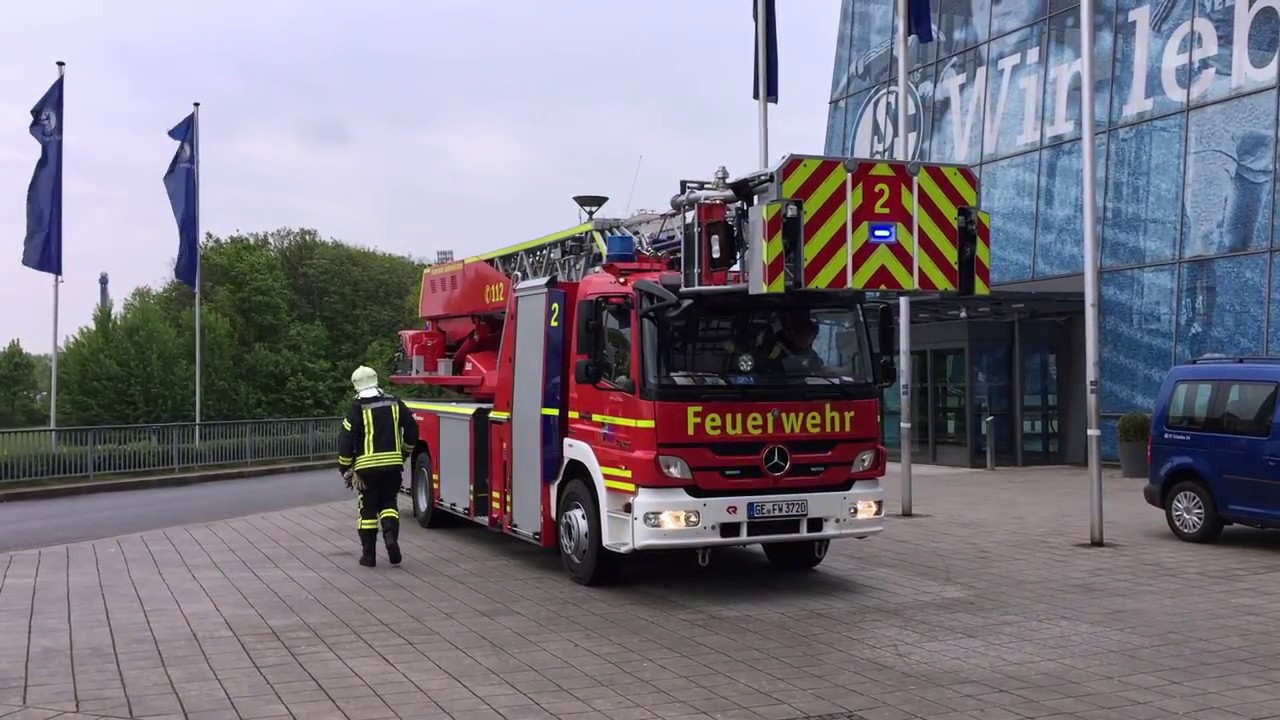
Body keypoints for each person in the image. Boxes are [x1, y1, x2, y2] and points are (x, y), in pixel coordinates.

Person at [337, 366, 419, 567]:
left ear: (356, 385)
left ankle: (369, 556)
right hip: (392, 465)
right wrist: (405, 452)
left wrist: (344, 467)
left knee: (367, 509)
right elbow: (411, 428)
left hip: (366, 470)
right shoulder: (394, 402)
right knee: (389, 502)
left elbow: (346, 438)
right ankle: (391, 537)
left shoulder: (357, 408)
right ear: (375, 381)